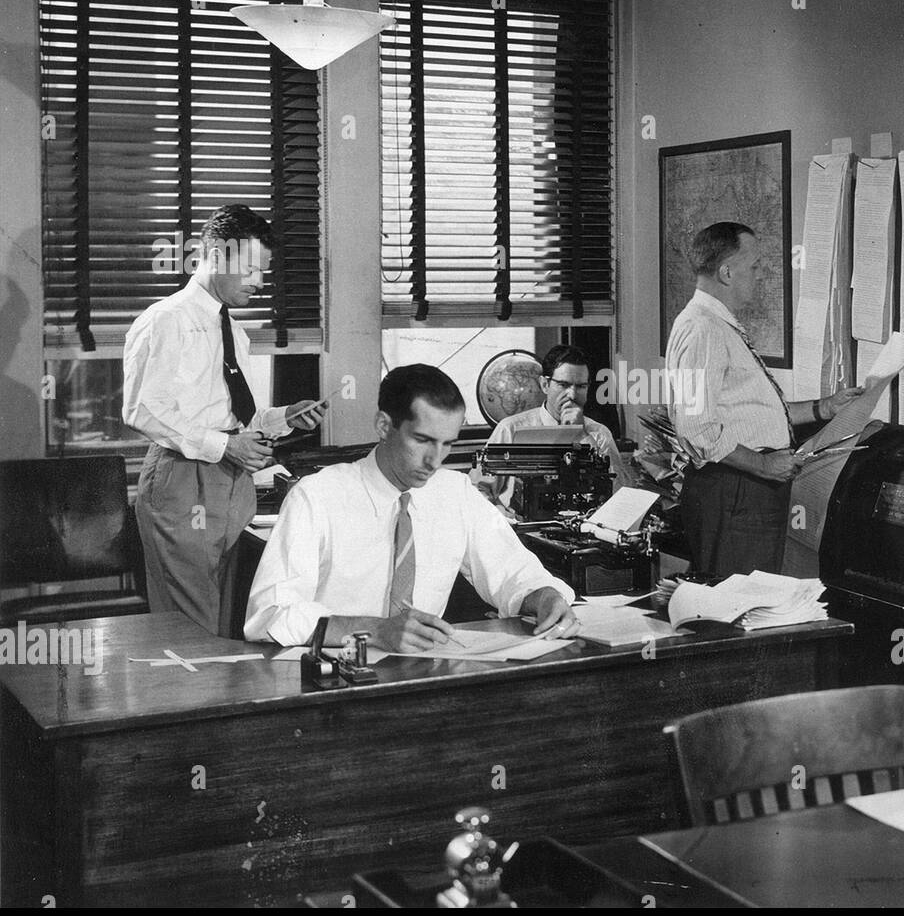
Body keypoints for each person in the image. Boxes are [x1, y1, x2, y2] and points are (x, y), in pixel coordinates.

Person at [244, 364, 579, 651]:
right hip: (336, 681)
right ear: (384, 426)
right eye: (422, 440)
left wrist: (545, 596)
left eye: (447, 444)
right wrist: (373, 630)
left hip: (420, 679)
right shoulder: (316, 496)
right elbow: (268, 616)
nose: (435, 461)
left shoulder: (455, 492)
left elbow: (513, 572)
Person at [123, 205, 326, 635]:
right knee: (192, 625)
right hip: (182, 478)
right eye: (251, 269)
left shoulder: (234, 331)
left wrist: (286, 418)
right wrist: (225, 446)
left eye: (264, 272)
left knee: (227, 619)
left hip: (233, 483)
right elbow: (142, 408)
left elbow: (237, 419)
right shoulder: (166, 320)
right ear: (215, 254)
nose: (259, 282)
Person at [664, 221, 863, 578]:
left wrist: (824, 408)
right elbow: (696, 428)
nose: (760, 273)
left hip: (743, 489)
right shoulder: (703, 329)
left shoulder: (716, 324)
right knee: (737, 607)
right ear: (727, 272)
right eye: (754, 265)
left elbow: (748, 413)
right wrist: (765, 465)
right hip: (737, 489)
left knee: (748, 602)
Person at [478, 344, 635, 516]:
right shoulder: (509, 429)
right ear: (545, 384)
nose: (572, 395)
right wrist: (499, 514)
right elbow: (478, 490)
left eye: (581, 386)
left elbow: (620, 492)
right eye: (563, 385)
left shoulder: (599, 433)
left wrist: (582, 435)